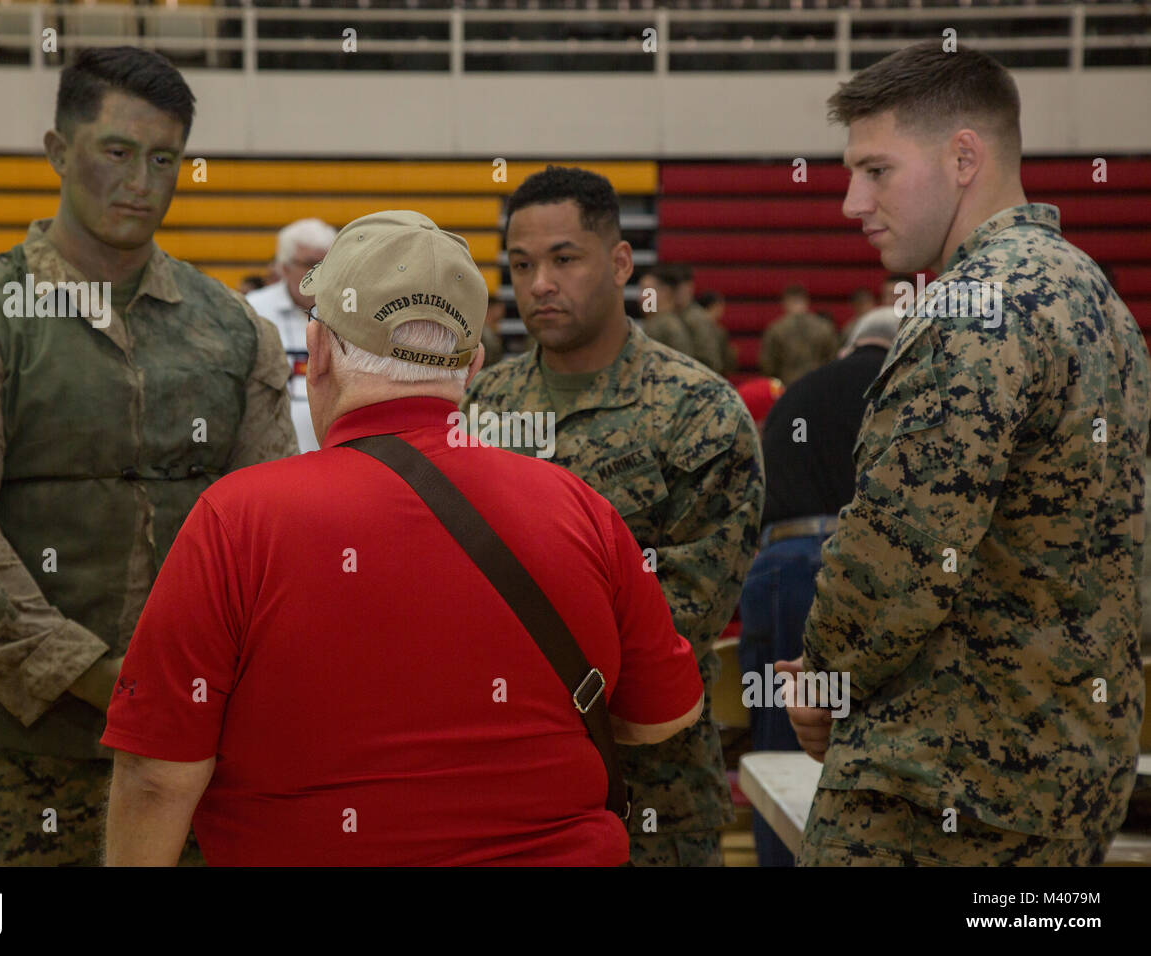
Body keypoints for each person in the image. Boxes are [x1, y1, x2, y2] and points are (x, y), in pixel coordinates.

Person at [102, 211, 704, 866]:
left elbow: (158, 775)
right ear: (471, 363)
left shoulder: (235, 519)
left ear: (319, 351)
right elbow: (661, 715)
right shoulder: (577, 507)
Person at [0, 45, 298, 867]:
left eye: (165, 158)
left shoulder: (233, 330)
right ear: (57, 151)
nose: (142, 180)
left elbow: (265, 524)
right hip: (21, 768)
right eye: (116, 151)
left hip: (192, 765)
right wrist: (95, 674)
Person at [786, 40, 1149, 866]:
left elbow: (899, 553)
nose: (850, 201)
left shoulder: (971, 309)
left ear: (962, 157)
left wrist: (821, 673)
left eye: (876, 170)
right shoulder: (1097, 299)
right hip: (1069, 779)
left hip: (940, 785)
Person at [464, 166, 764, 866]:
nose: (539, 282)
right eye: (521, 263)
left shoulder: (698, 411)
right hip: (505, 790)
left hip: (650, 795)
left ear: (620, 262)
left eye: (564, 258)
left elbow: (684, 616)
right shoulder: (479, 410)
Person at [737, 306, 898, 867]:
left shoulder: (797, 391)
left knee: (774, 755)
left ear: (849, 343)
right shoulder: (905, 387)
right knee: (862, 751)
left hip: (777, 563)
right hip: (862, 569)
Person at [247, 218, 337, 453]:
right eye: (310, 264)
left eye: (326, 264)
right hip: (268, 453)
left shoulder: (350, 310)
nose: (319, 274)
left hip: (334, 452)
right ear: (284, 267)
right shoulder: (253, 310)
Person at [758, 283, 838, 386]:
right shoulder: (824, 327)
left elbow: (768, 365)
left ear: (785, 302)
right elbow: (833, 359)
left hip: (788, 387)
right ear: (806, 301)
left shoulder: (776, 329)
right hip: (818, 385)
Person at [635, 267, 694, 358]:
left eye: (647, 291)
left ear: (665, 292)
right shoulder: (658, 322)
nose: (641, 297)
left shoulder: (667, 325)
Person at [480, 294, 506, 368]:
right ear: (491, 309)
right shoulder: (483, 333)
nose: (503, 311)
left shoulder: (492, 330)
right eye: (499, 307)